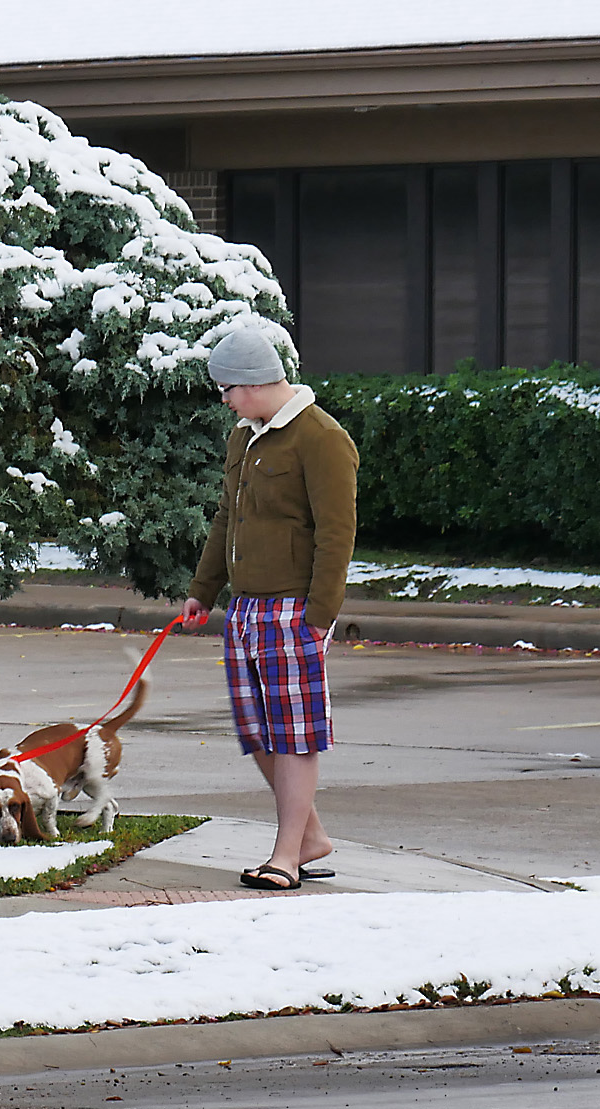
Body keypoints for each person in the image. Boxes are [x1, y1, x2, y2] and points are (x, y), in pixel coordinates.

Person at [180, 326, 358, 891]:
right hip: (244, 608)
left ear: (254, 382)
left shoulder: (320, 437)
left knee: (294, 736)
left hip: (295, 609)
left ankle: (285, 858)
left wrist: (320, 615)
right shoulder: (245, 436)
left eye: (227, 388)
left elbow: (337, 533)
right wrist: (203, 591)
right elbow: (225, 519)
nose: (225, 400)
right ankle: (310, 836)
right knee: (258, 733)